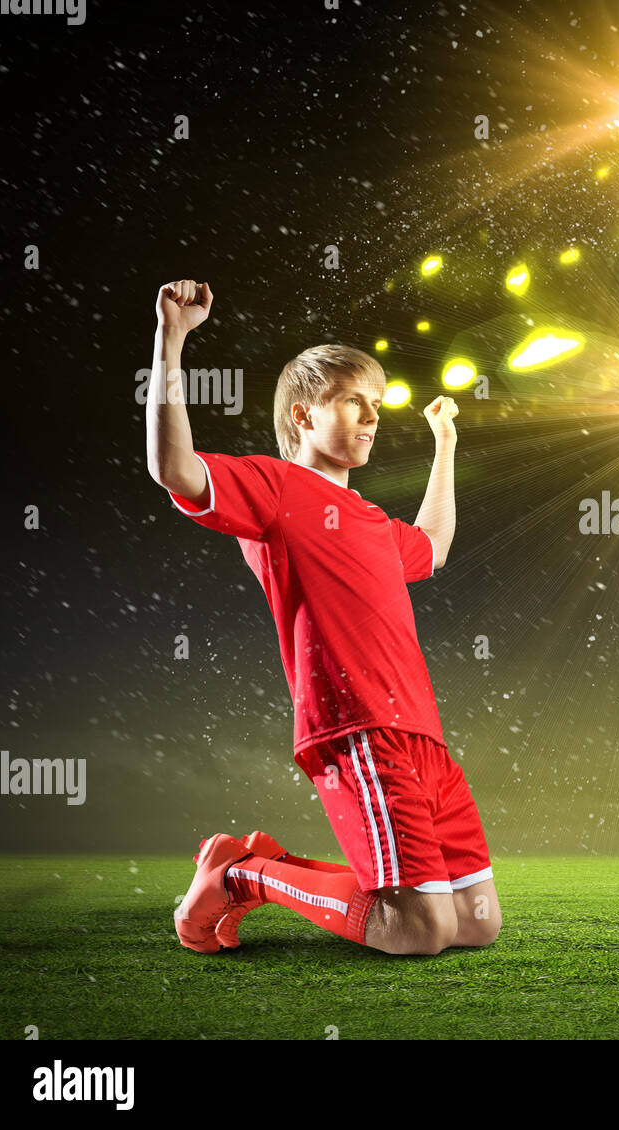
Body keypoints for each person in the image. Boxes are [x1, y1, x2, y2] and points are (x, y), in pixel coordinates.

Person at [147, 279, 499, 956]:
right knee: (423, 933)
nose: (371, 417)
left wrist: (445, 445)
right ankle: (244, 875)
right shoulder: (275, 490)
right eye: (353, 402)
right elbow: (175, 469)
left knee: (476, 923)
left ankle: (243, 864)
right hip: (359, 729)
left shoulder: (372, 520)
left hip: (423, 735)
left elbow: (434, 547)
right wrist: (173, 337)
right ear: (304, 417)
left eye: (376, 405)